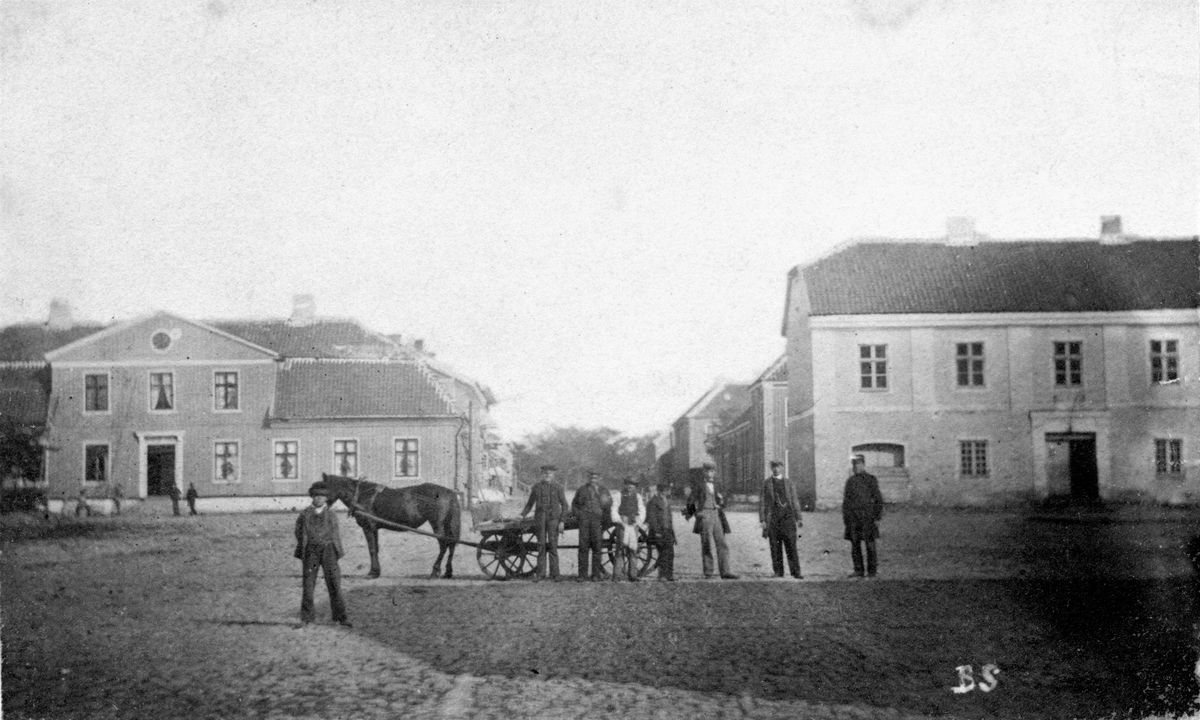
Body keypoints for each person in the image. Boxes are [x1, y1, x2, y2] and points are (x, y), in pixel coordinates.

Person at [294, 481, 351, 627]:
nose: (319, 498)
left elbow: (336, 533)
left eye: (322, 496)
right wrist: (307, 545)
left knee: (334, 583)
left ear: (326, 498)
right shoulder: (305, 514)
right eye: (316, 496)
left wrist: (335, 551)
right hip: (311, 552)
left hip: (329, 550)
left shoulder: (331, 514)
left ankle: (341, 618)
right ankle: (306, 618)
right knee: (308, 585)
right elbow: (298, 532)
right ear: (312, 497)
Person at [685, 463, 737, 579]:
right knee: (706, 543)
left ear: (715, 472)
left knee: (722, 543)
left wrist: (722, 504)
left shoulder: (718, 484)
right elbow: (690, 501)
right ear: (704, 472)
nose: (710, 473)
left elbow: (725, 499)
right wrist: (696, 513)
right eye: (708, 471)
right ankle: (708, 571)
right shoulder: (699, 485)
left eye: (712, 471)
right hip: (705, 515)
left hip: (717, 515)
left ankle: (725, 571)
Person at [521, 464, 568, 581]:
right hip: (540, 519)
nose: (547, 475)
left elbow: (565, 505)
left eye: (550, 473)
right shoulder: (536, 487)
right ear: (542, 474)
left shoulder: (558, 487)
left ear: (553, 474)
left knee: (553, 546)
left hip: (553, 520)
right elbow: (529, 504)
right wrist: (521, 515)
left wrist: (562, 521)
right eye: (545, 473)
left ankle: (555, 574)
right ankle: (540, 574)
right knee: (541, 545)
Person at [759, 460, 803, 579]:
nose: (776, 469)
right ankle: (778, 571)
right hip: (773, 518)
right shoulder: (767, 483)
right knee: (775, 546)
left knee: (791, 545)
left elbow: (794, 501)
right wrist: (762, 519)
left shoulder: (789, 483)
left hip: (788, 518)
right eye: (773, 467)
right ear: (771, 468)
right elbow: (762, 502)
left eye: (778, 467)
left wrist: (798, 518)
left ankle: (796, 571)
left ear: (782, 468)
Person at [843, 454, 884, 578]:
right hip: (853, 519)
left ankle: (872, 571)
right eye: (854, 464)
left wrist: (877, 517)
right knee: (855, 545)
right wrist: (846, 519)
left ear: (863, 465)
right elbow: (846, 502)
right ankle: (858, 570)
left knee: (870, 545)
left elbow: (878, 499)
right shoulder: (850, 482)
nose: (856, 467)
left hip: (868, 518)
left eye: (858, 464)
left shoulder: (871, 479)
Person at [571, 469, 607, 581]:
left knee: (597, 547)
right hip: (584, 521)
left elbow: (608, 506)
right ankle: (582, 575)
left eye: (595, 478)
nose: (593, 480)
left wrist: (604, 521)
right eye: (591, 478)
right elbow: (574, 505)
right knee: (583, 547)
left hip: (597, 521)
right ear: (588, 478)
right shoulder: (581, 490)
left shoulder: (603, 490)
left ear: (599, 478)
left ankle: (595, 575)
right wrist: (579, 515)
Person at [609, 477, 646, 581]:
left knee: (633, 549)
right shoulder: (618, 495)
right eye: (628, 484)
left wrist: (638, 521)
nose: (630, 486)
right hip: (622, 525)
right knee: (620, 549)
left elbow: (642, 510)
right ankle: (617, 575)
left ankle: (633, 575)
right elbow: (614, 509)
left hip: (633, 526)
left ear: (635, 486)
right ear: (625, 485)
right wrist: (620, 519)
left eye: (632, 484)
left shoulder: (638, 497)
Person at [646, 481, 676, 581]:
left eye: (668, 490)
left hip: (668, 530)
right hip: (658, 532)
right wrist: (656, 531)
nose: (667, 492)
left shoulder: (667, 501)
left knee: (670, 553)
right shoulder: (653, 502)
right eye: (665, 490)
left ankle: (669, 574)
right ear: (660, 491)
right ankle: (662, 575)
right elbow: (652, 518)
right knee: (663, 553)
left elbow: (669, 518)